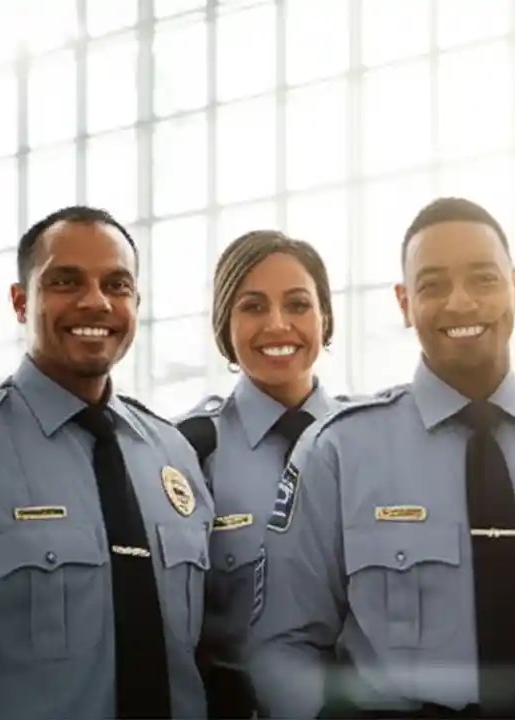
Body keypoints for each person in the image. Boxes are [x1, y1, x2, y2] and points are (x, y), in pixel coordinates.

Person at [247, 197, 515, 718]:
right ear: (404, 302)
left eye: (483, 279)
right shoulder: (339, 452)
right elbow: (282, 642)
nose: (460, 303)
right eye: (432, 285)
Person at [0, 205, 213, 719]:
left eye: (117, 285)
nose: (96, 302)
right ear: (21, 302)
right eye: (66, 281)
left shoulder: (174, 457)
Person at [175, 230, 347, 718]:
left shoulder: (369, 445)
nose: (277, 324)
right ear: (224, 325)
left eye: (298, 304)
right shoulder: (188, 452)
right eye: (252, 307)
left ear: (325, 318)